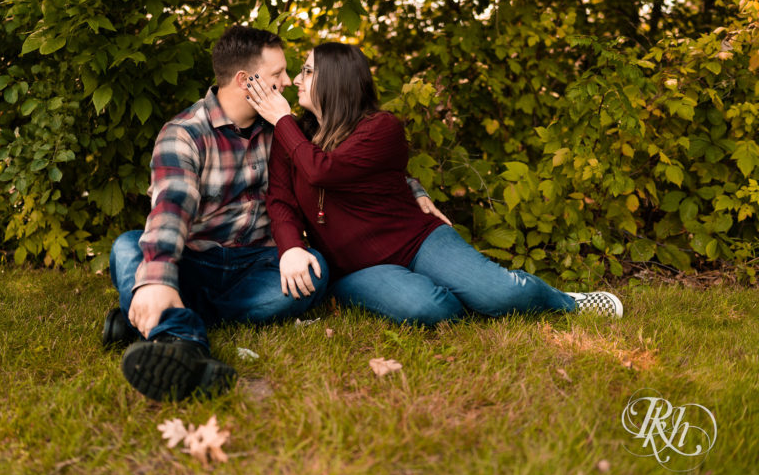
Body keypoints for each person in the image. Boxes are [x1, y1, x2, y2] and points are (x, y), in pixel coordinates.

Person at [106, 27, 445, 402]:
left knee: (314, 271)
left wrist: (413, 190)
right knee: (128, 248)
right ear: (244, 80)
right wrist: (159, 279)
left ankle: (156, 316)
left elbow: (354, 164)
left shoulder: (285, 128)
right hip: (196, 260)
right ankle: (185, 343)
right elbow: (170, 211)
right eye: (278, 73)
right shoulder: (185, 133)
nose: (288, 81)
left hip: (259, 265)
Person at [246, 43, 623, 326]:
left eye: (307, 71)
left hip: (417, 241)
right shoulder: (292, 136)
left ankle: (565, 302)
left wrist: (282, 121)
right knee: (431, 310)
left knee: (501, 292)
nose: (297, 80)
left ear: (336, 79)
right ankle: (470, 298)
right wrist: (291, 247)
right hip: (356, 270)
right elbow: (280, 201)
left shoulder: (381, 128)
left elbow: (324, 171)